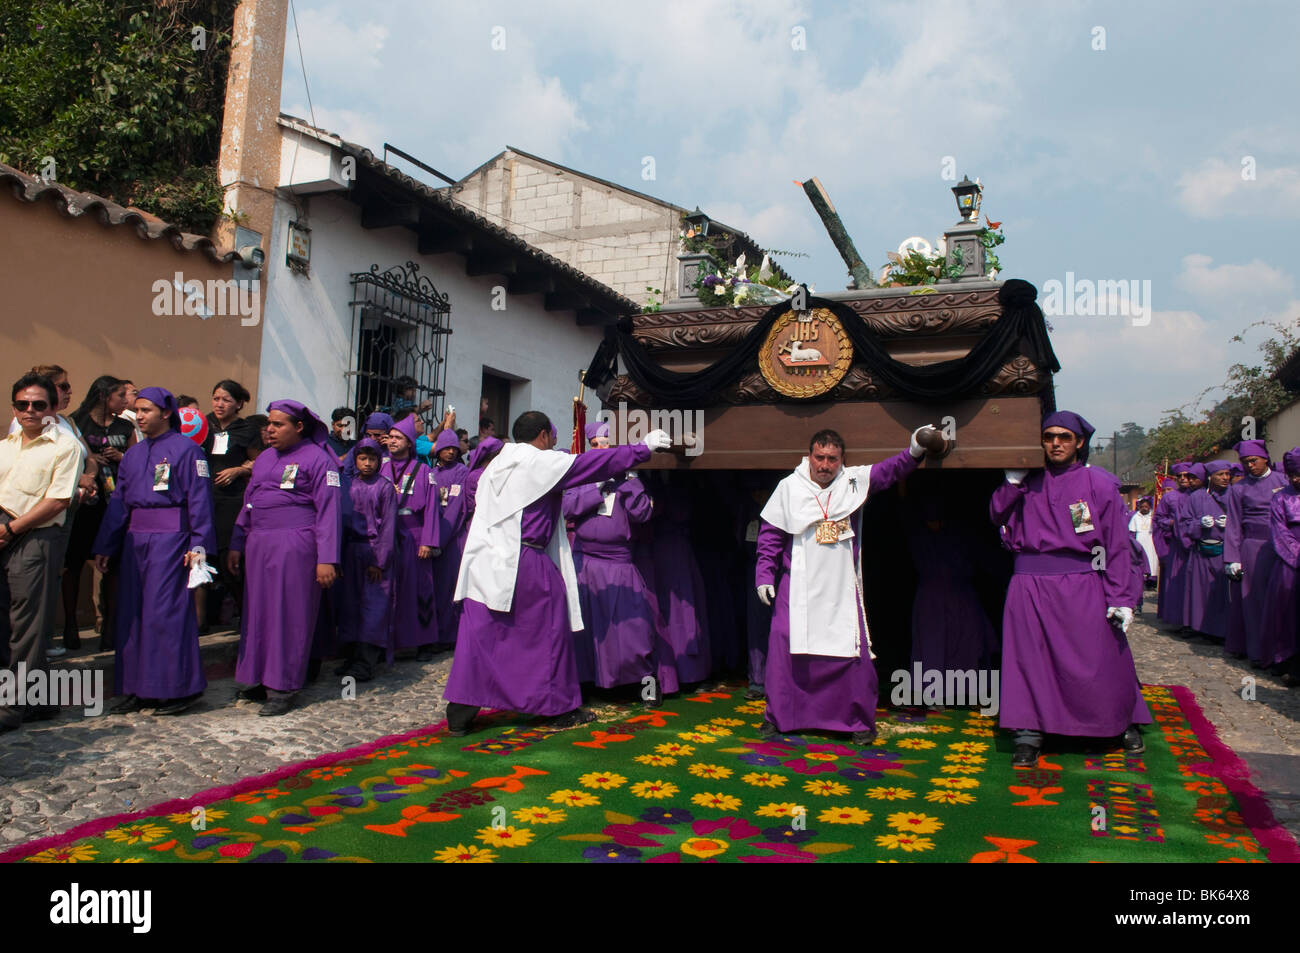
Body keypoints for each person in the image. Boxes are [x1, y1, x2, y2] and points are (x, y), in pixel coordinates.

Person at [443, 413, 669, 734]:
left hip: (484, 557)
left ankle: (461, 711)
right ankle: (557, 706)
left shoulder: (496, 464)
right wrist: (642, 448)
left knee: (481, 635)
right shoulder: (539, 463)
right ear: (544, 436)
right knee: (550, 629)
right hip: (524, 558)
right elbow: (590, 466)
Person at [990, 411, 1150, 766]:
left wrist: (1121, 598)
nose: (1056, 443)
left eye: (1064, 437)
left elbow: (1116, 545)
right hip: (1029, 584)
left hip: (1082, 582)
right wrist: (1010, 485)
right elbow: (996, 516)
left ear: (1079, 442)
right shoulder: (1025, 480)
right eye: (1049, 437)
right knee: (1028, 660)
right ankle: (1028, 733)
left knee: (1100, 656)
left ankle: (1117, 721)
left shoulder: (1100, 483)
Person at [756, 427, 929, 744]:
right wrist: (764, 576)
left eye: (832, 459)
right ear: (809, 456)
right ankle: (779, 716)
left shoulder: (854, 481)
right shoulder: (788, 488)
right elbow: (770, 536)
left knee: (853, 653)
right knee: (783, 647)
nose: (824, 465)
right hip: (797, 588)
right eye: (819, 457)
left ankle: (858, 721)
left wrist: (915, 450)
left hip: (842, 588)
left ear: (841, 460)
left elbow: (890, 471)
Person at [92, 387, 216, 715]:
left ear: (165, 413)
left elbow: (200, 503)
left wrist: (198, 547)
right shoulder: (133, 454)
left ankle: (177, 689)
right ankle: (136, 687)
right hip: (135, 541)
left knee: (166, 615)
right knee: (133, 614)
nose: (140, 416)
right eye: (137, 410)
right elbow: (119, 501)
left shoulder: (189, 451)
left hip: (173, 541)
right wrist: (106, 544)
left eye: (146, 410)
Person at [227, 401, 341, 715]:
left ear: (299, 426)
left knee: (289, 613)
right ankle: (256, 677)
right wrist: (238, 540)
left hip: (296, 544)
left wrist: (327, 558)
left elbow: (329, 512)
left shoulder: (320, 460)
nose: (270, 430)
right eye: (269, 424)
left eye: (278, 425)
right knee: (257, 611)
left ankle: (284, 685)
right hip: (259, 543)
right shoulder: (263, 459)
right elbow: (249, 501)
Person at [0, 373, 81, 731]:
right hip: (2, 529)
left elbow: (58, 500)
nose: (30, 411)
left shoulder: (65, 446)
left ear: (53, 408)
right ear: (14, 407)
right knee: (5, 621)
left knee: (27, 625)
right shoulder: (6, 444)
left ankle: (12, 707)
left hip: (34, 534)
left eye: (38, 405)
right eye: (22, 404)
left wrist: (11, 529)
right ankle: (40, 700)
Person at [562, 421, 659, 694]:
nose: (600, 448)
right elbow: (568, 507)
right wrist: (598, 488)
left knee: (633, 628)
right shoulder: (580, 476)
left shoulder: (629, 478)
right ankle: (588, 683)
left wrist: (630, 481)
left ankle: (646, 685)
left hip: (619, 564)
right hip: (584, 560)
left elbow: (643, 514)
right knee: (586, 629)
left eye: (605, 442)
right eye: (594, 444)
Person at [66, 376, 136, 651]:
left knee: (113, 566)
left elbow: (136, 460)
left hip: (115, 503)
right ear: (104, 396)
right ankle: (71, 624)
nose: (125, 401)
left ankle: (109, 626)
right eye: (120, 395)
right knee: (73, 564)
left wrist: (121, 458)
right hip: (85, 505)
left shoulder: (125, 426)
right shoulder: (77, 422)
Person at [201, 380, 261, 632]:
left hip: (231, 501)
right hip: (203, 499)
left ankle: (246, 616)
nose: (219, 404)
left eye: (225, 399)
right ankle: (200, 619)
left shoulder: (246, 430)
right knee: (201, 557)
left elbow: (260, 461)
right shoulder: (203, 426)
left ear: (239, 403)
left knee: (230, 560)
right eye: (216, 398)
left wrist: (238, 470)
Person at [335, 438, 395, 680]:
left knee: (373, 608)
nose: (367, 464)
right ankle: (350, 657)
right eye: (362, 458)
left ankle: (366, 661)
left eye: (372, 459)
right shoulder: (349, 485)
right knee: (350, 606)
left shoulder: (384, 487)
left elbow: (388, 527)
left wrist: (379, 561)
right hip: (351, 552)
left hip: (374, 551)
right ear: (355, 459)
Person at [1225, 440, 1288, 663]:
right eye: (1245, 462)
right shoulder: (1238, 488)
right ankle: (1258, 652)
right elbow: (1233, 524)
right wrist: (1232, 558)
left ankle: (1281, 653)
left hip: (1283, 546)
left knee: (1282, 600)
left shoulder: (1284, 480)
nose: (1250, 466)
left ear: (1265, 458)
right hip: (1252, 547)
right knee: (1254, 601)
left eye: (1253, 460)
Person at [385, 415, 440, 660]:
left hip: (415, 534)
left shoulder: (424, 470)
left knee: (419, 589)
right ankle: (389, 640)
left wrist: (428, 540)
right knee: (390, 588)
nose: (392, 442)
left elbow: (431, 508)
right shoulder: (381, 467)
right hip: (387, 534)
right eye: (390, 437)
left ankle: (422, 640)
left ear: (409, 442)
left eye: (398, 438)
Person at [427, 428, 470, 648]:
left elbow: (455, 508)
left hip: (451, 538)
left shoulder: (462, 472)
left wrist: (440, 540)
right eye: (447, 448)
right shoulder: (430, 473)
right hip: (432, 537)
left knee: (448, 587)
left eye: (455, 448)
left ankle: (448, 636)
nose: (451, 452)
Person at [1180, 462, 1228, 640]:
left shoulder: (1233, 495)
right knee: (1200, 593)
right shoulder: (1196, 497)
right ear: (1210, 477)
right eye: (1220, 474)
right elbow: (1184, 523)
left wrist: (1230, 524)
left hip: (1224, 551)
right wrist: (1198, 523)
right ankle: (1201, 628)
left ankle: (1222, 631)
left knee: (1222, 594)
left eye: (1227, 474)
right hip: (1201, 550)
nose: (1225, 478)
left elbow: (1243, 521)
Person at [1264, 449, 1300, 684]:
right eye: (1292, 474)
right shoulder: (1281, 498)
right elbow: (1279, 531)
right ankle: (1290, 662)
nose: (1296, 479)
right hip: (1291, 565)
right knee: (1289, 613)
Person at [1128, 496, 1158, 587]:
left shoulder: (1153, 516)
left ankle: (1152, 581)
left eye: (1146, 507)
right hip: (1140, 541)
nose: (1144, 508)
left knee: (1152, 561)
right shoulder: (1135, 517)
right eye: (1142, 507)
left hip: (1151, 541)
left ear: (1149, 507)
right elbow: (1132, 531)